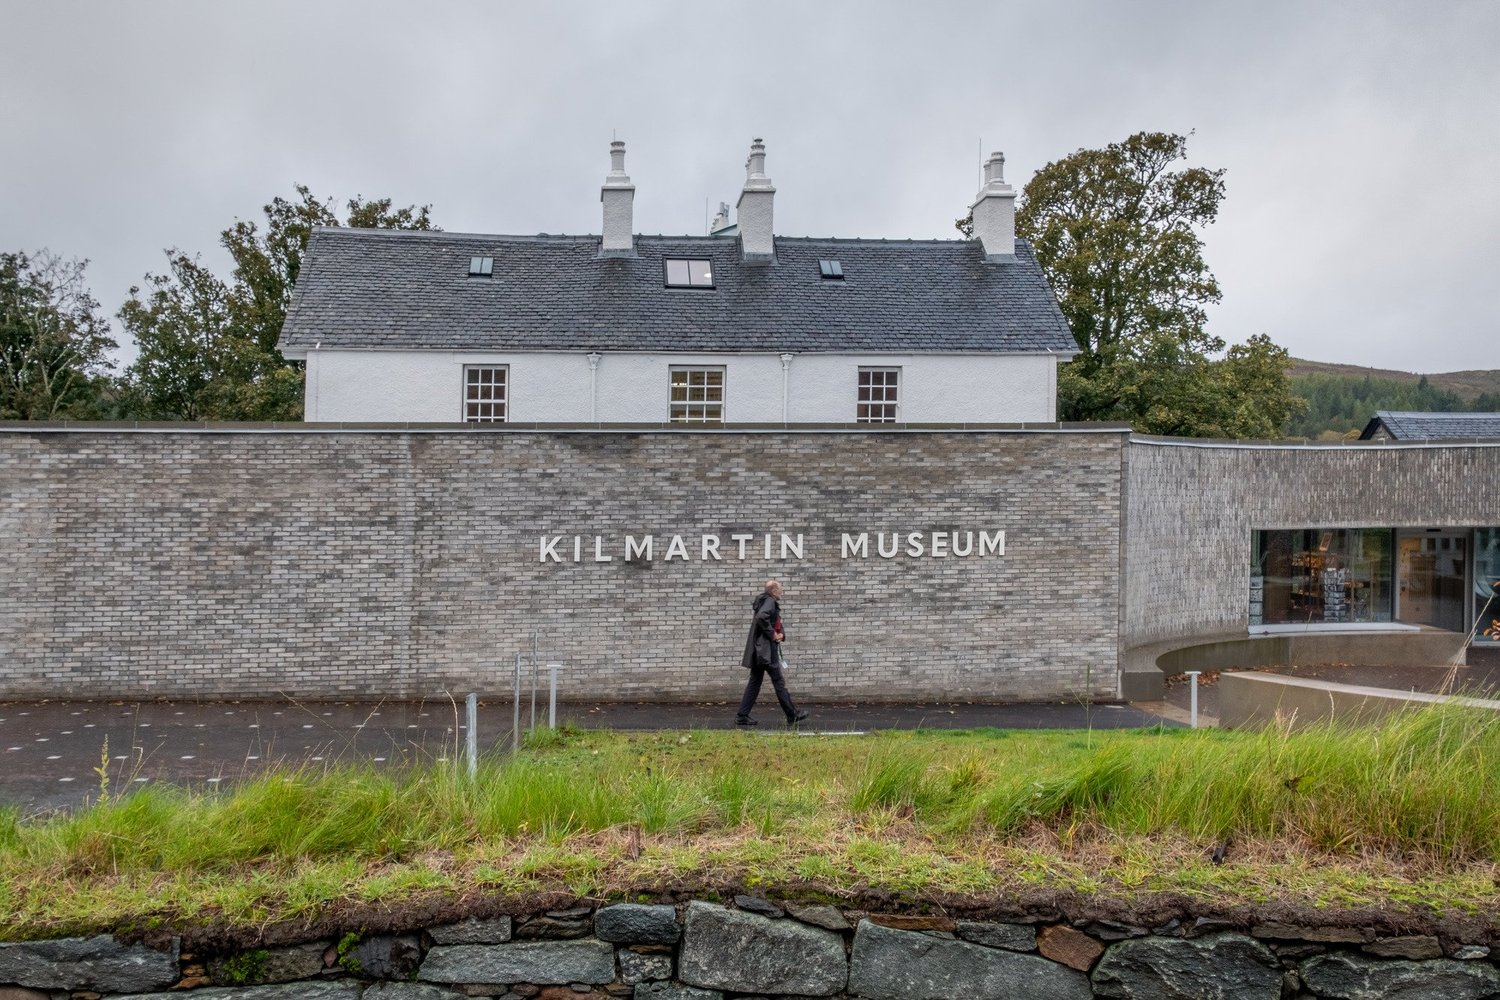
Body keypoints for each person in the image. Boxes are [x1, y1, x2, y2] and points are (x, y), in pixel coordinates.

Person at [736, 578, 810, 726]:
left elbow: (774, 622)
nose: (782, 590)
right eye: (780, 588)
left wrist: (780, 634)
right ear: (774, 591)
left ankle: (742, 716)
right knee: (778, 681)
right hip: (767, 651)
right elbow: (762, 617)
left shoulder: (764, 601)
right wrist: (773, 634)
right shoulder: (769, 601)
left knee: (755, 682)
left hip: (760, 651)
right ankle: (792, 714)